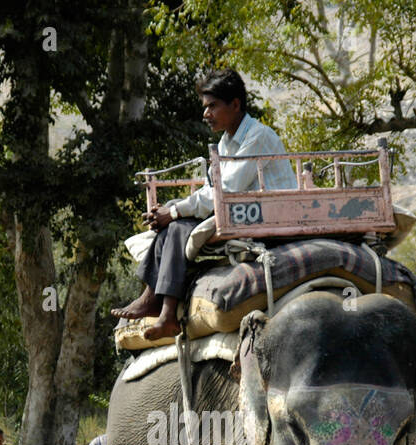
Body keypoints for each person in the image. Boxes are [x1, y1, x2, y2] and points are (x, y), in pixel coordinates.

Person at [110, 68, 296, 340]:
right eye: (205, 107)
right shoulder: (226, 142)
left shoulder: (258, 136)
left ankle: (166, 312)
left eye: (212, 106)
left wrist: (174, 211)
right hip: (239, 210)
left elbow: (226, 189)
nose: (205, 114)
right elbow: (214, 189)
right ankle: (153, 298)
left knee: (176, 226)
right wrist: (172, 209)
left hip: (264, 214)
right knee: (172, 226)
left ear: (235, 104)